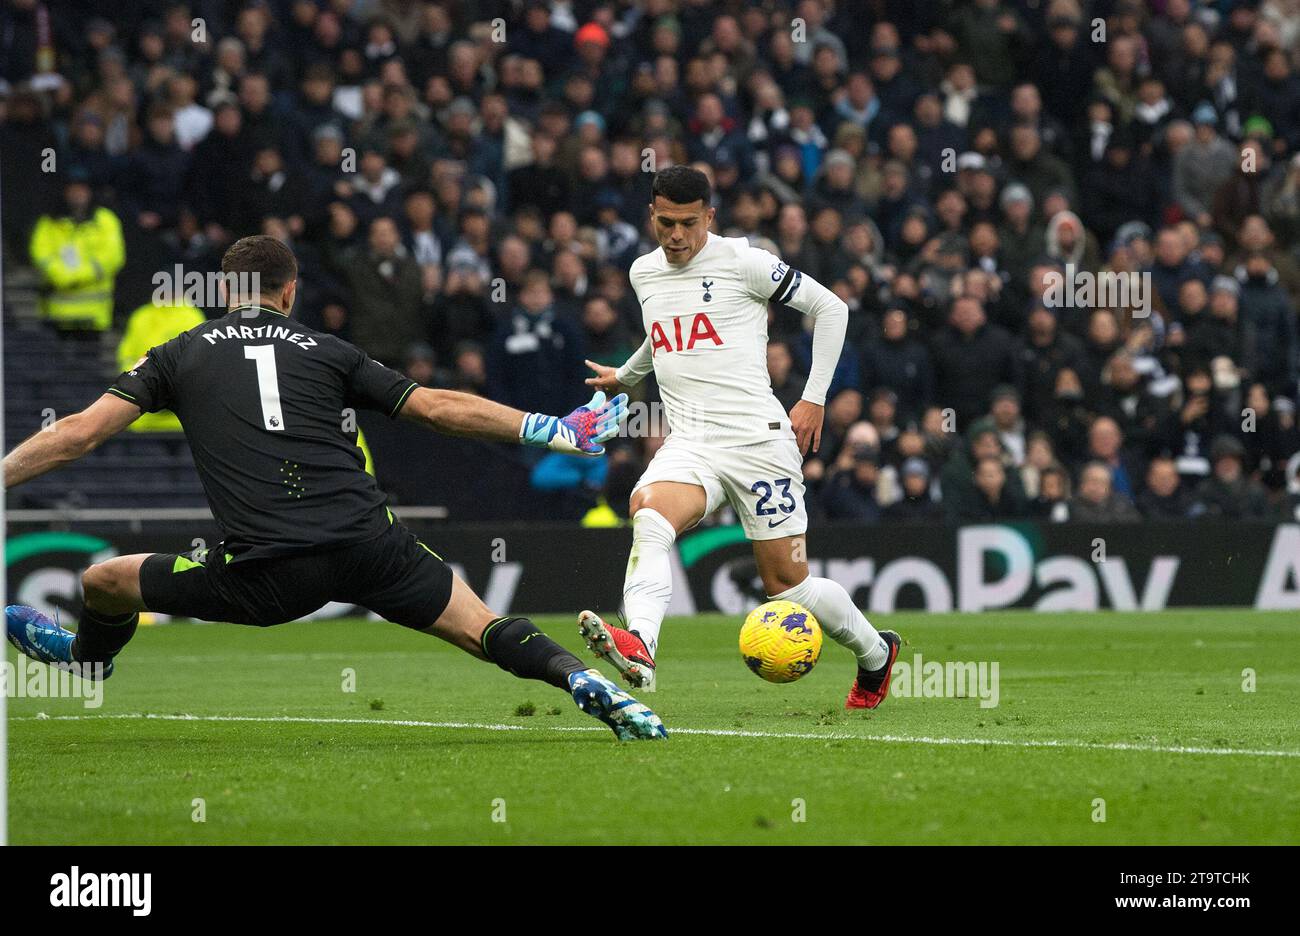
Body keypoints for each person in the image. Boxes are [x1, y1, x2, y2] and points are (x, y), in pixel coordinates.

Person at [4, 235, 664, 742]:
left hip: (268, 573)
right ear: (288, 292)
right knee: (483, 627)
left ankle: (88, 659)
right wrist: (554, 427)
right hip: (369, 542)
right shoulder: (326, 350)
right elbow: (434, 406)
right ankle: (581, 678)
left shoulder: (178, 353)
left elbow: (79, 435)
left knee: (101, 583)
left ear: (224, 290)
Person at [581, 166, 900, 708]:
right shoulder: (643, 273)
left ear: (709, 216)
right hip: (691, 442)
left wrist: (814, 397)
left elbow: (831, 308)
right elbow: (663, 333)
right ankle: (641, 647)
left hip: (760, 442)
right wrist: (626, 376)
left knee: (788, 586)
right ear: (651, 217)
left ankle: (875, 655)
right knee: (649, 514)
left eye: (687, 223)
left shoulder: (744, 262)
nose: (676, 236)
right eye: (665, 224)